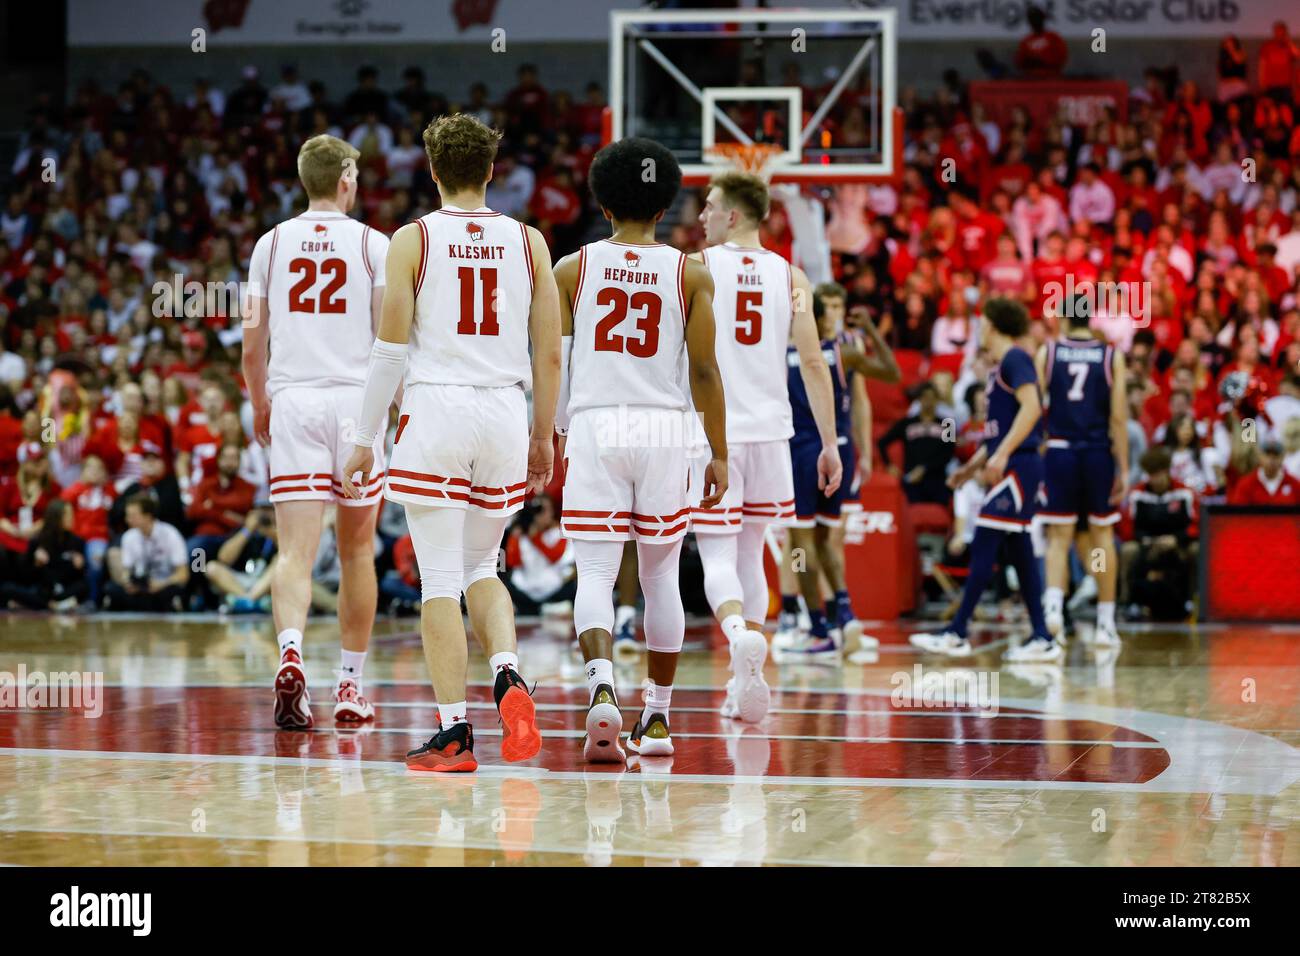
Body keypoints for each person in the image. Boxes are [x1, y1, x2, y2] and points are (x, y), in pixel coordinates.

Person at [341, 113, 560, 773]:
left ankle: (454, 732)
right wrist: (543, 433)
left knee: (437, 579)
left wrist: (362, 438)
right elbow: (549, 353)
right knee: (484, 568)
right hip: (503, 410)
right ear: (492, 171)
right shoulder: (530, 242)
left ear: (432, 170)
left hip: (436, 407)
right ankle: (508, 673)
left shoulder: (413, 239)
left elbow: (388, 351)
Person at [552, 136, 728, 762]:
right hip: (664, 428)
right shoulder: (692, 272)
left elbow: (557, 361)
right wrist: (719, 452)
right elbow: (705, 373)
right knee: (659, 578)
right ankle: (656, 719)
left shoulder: (571, 269)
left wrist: (553, 433)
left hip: (597, 423)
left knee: (596, 572)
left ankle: (602, 692)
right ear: (666, 207)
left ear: (601, 203)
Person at [243, 133, 390, 728]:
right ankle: (350, 687)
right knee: (357, 551)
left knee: (295, 554)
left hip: (295, 402)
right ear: (348, 180)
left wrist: (259, 403)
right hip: (356, 402)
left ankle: (291, 653)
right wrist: (394, 408)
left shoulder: (269, 244)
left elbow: (253, 346)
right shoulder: (374, 244)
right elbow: (389, 338)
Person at [688, 171, 842, 712]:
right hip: (776, 434)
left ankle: (737, 635)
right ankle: (744, 677)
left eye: (709, 207)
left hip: (716, 436)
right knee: (753, 551)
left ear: (733, 215)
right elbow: (816, 363)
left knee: (717, 555)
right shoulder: (793, 278)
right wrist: (830, 442)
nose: (701, 216)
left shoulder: (699, 268)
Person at [911, 297, 1057, 661]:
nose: (978, 327)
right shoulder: (996, 368)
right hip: (1009, 463)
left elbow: (1033, 408)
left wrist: (1005, 453)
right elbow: (996, 433)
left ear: (993, 324)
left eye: (982, 322)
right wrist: (971, 468)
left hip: (1020, 466)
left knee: (986, 537)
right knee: (1019, 550)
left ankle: (957, 631)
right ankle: (1042, 636)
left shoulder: (1016, 358)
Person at [780, 283, 898, 655]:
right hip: (838, 450)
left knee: (801, 544)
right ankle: (846, 616)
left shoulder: (779, 355)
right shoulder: (844, 352)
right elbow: (893, 374)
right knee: (827, 538)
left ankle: (817, 627)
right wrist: (873, 331)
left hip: (800, 451)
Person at [1036, 298, 1129, 646]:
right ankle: (1106, 621)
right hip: (1097, 454)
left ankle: (1053, 613)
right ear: (1090, 318)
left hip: (1059, 451)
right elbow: (1118, 418)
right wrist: (1123, 466)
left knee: (1058, 538)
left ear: (1062, 317)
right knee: (1102, 539)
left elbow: (1033, 406)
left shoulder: (1048, 352)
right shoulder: (1110, 356)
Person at [105, 494, 190, 612]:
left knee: (172, 592)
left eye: (133, 516)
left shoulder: (170, 534)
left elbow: (183, 575)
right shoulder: (129, 537)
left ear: (148, 516)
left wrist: (161, 584)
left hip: (164, 585)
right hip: (142, 588)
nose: (128, 520)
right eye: (128, 516)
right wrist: (128, 583)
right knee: (112, 589)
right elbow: (126, 571)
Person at [0, 499, 87, 611]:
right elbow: (26, 576)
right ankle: (54, 604)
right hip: (42, 588)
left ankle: (46, 604)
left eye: (71, 514)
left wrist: (80, 567)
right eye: (67, 514)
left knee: (83, 586)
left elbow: (78, 577)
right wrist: (36, 564)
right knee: (7, 588)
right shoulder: (38, 541)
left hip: (63, 588)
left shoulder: (77, 542)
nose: (71, 518)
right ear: (55, 517)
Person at [1228, 438, 1300, 505]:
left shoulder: (1294, 484)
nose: (1271, 459)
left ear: (1282, 457)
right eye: (1267, 454)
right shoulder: (1246, 484)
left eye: (1276, 455)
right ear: (1260, 456)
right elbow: (1238, 515)